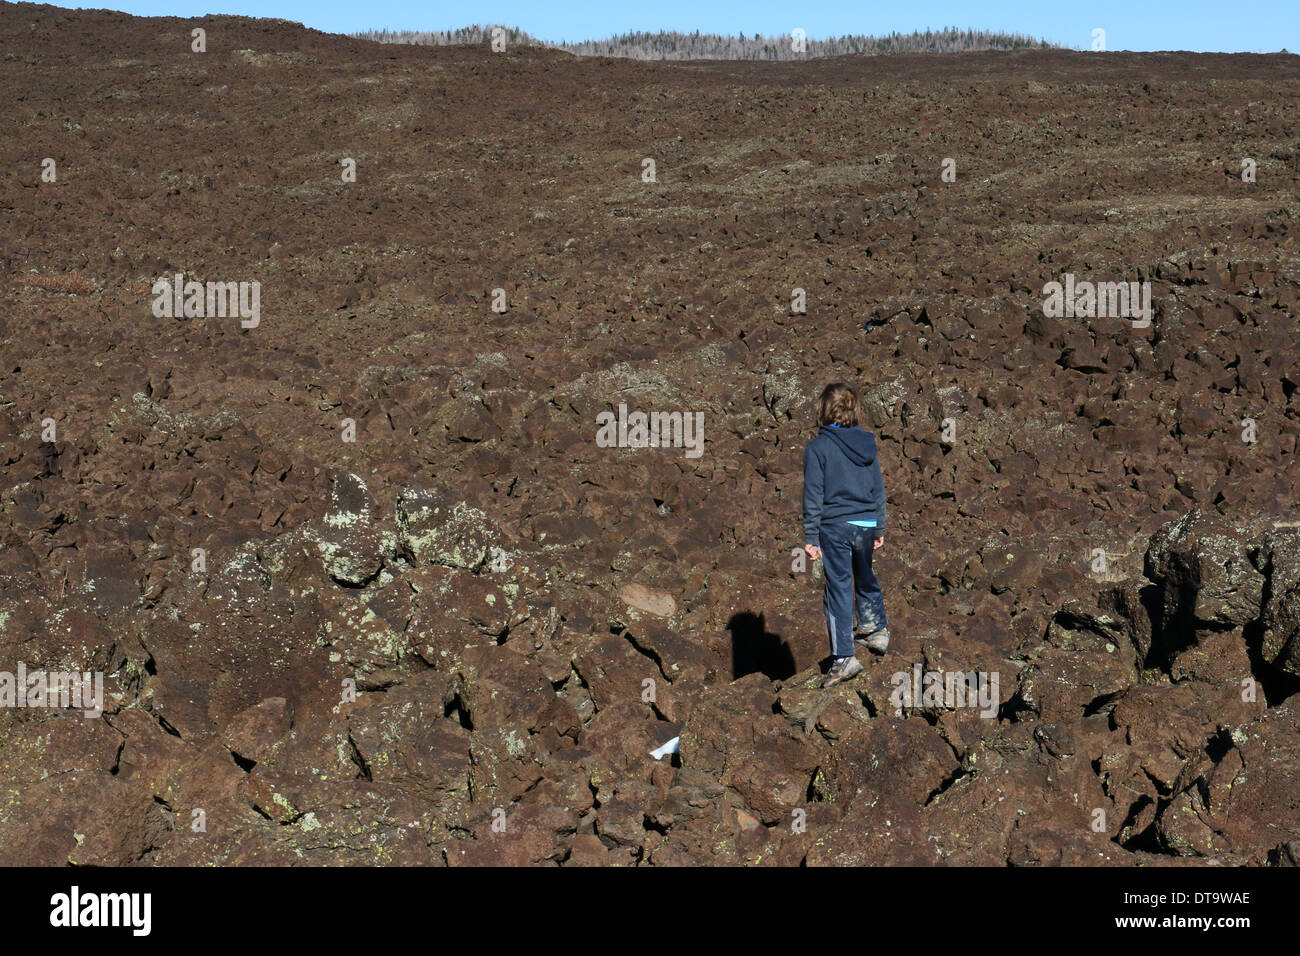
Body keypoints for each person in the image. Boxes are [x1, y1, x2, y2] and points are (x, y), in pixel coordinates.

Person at [802, 383, 889, 688]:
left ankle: (844, 658)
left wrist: (811, 536)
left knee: (837, 589)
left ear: (823, 410)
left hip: (835, 526)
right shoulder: (867, 443)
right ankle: (876, 628)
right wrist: (878, 526)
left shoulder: (817, 448)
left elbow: (813, 494)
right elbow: (878, 487)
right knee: (864, 574)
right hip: (866, 523)